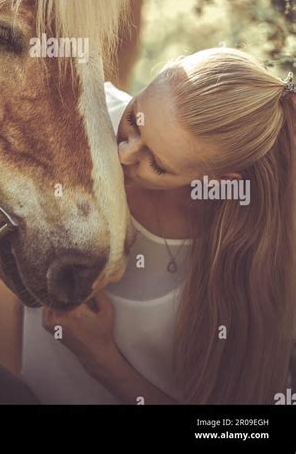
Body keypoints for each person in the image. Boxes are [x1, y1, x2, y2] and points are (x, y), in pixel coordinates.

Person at [21, 48, 295, 404]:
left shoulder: (258, 261)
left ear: (216, 180)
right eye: (135, 120)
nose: (124, 154)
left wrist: (101, 360)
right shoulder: (80, 118)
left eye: (158, 165)